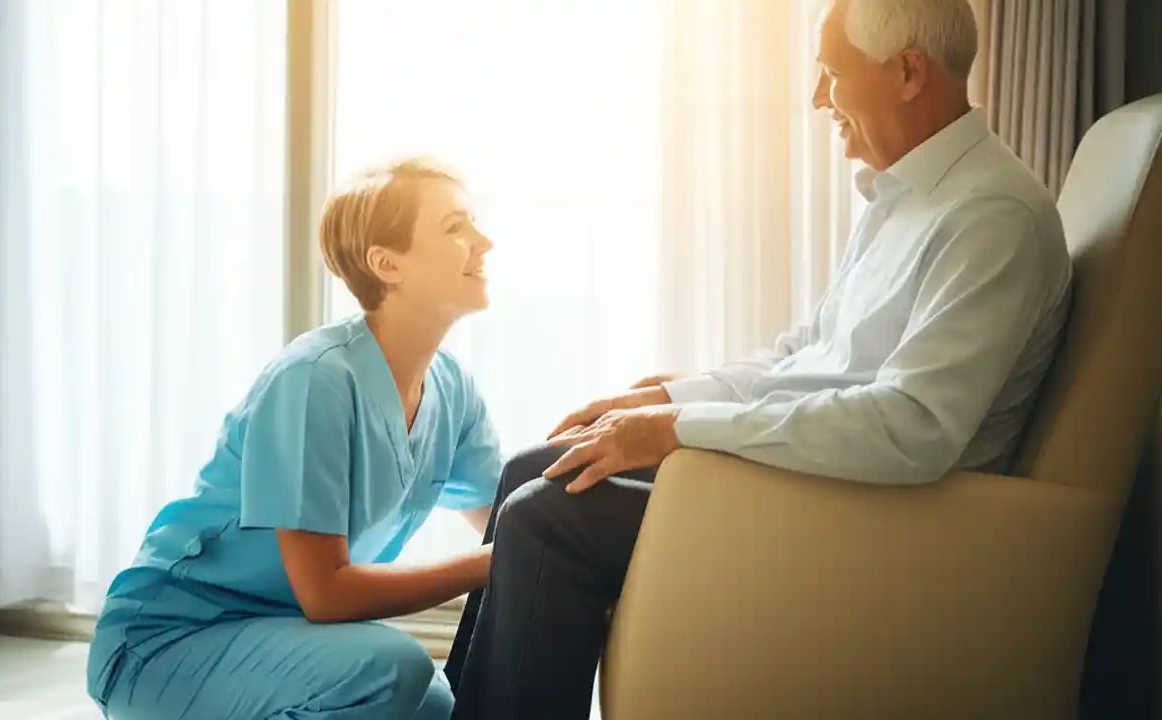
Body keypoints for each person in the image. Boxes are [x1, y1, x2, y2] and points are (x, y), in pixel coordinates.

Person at [446, 0, 1073, 717]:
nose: (817, 98)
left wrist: (679, 429)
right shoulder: (903, 198)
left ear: (906, 72)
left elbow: (913, 428)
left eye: (832, 73)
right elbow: (805, 356)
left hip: (882, 520)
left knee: (550, 517)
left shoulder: (993, 219)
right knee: (536, 465)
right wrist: (668, 401)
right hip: (824, 479)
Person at [86, 158, 501, 720]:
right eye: (456, 227)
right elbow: (326, 594)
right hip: (169, 643)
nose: (485, 241)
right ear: (387, 263)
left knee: (432, 708)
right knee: (393, 669)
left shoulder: (452, 388)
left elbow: (507, 518)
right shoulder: (315, 378)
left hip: (277, 638)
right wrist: (492, 563)